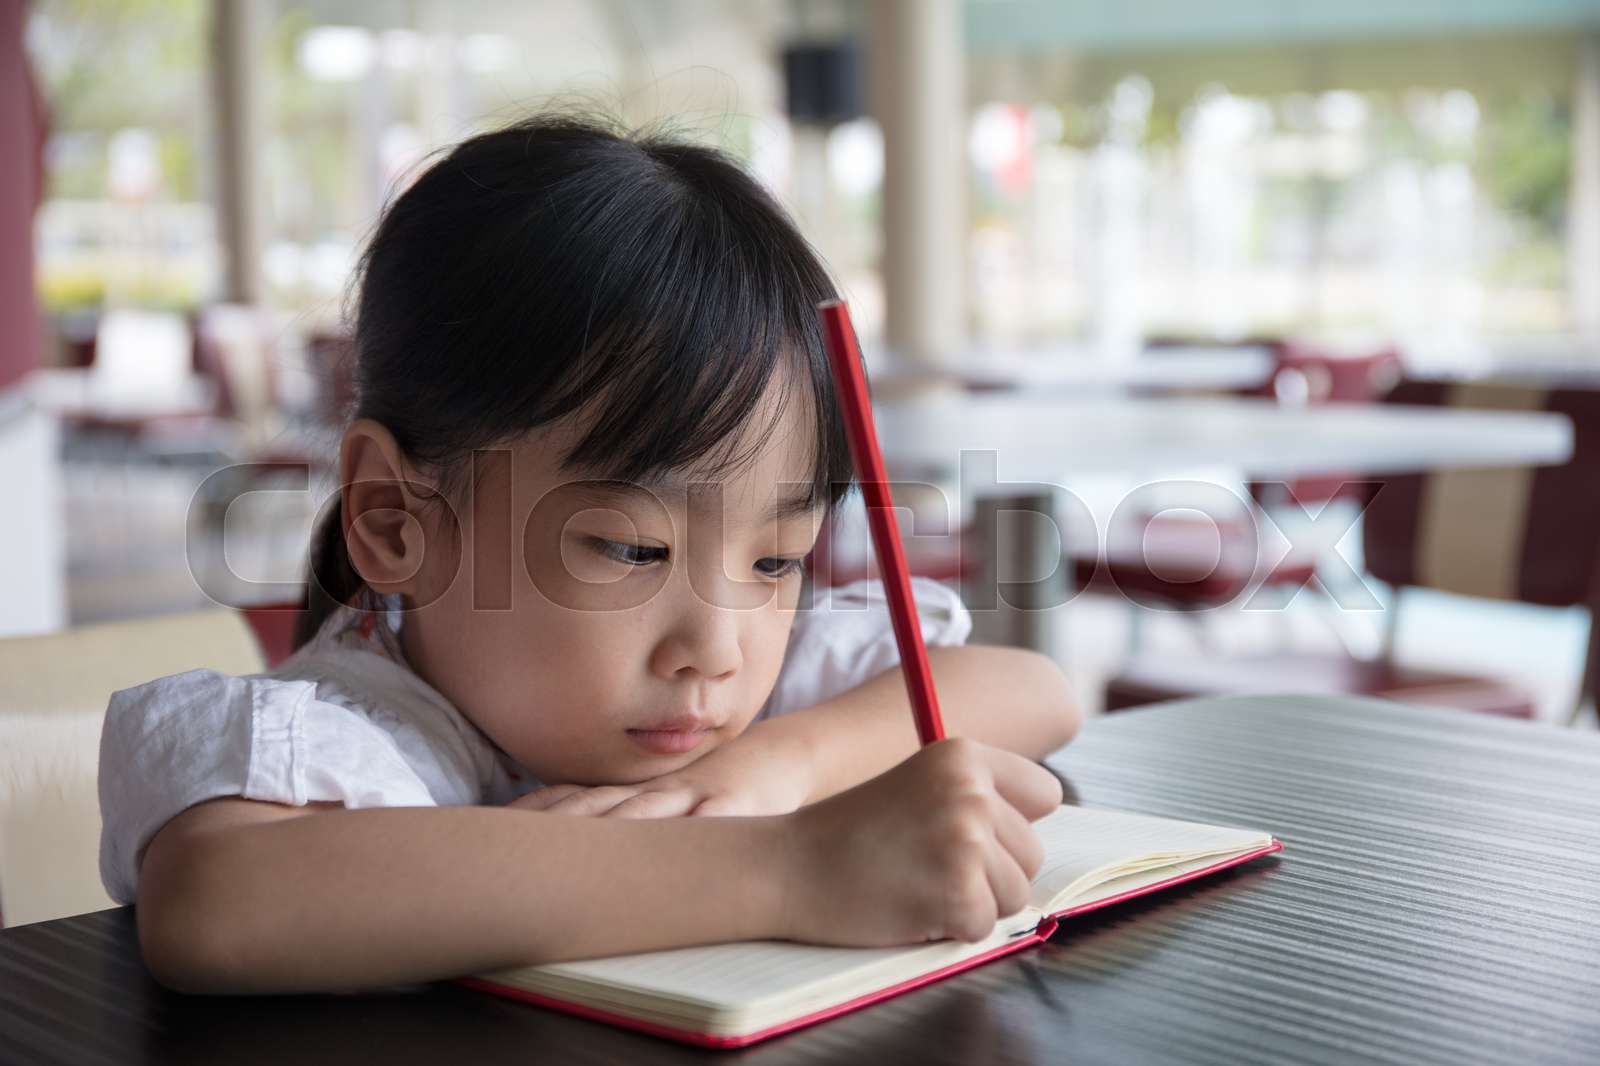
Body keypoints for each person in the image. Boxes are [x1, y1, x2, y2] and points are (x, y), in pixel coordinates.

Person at [97, 113, 1080, 995]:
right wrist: (791, 866)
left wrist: (784, 765)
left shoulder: (742, 720)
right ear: (397, 517)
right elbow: (218, 904)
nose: (718, 646)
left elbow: (1034, 690)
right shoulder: (365, 744)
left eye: (776, 560)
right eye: (632, 548)